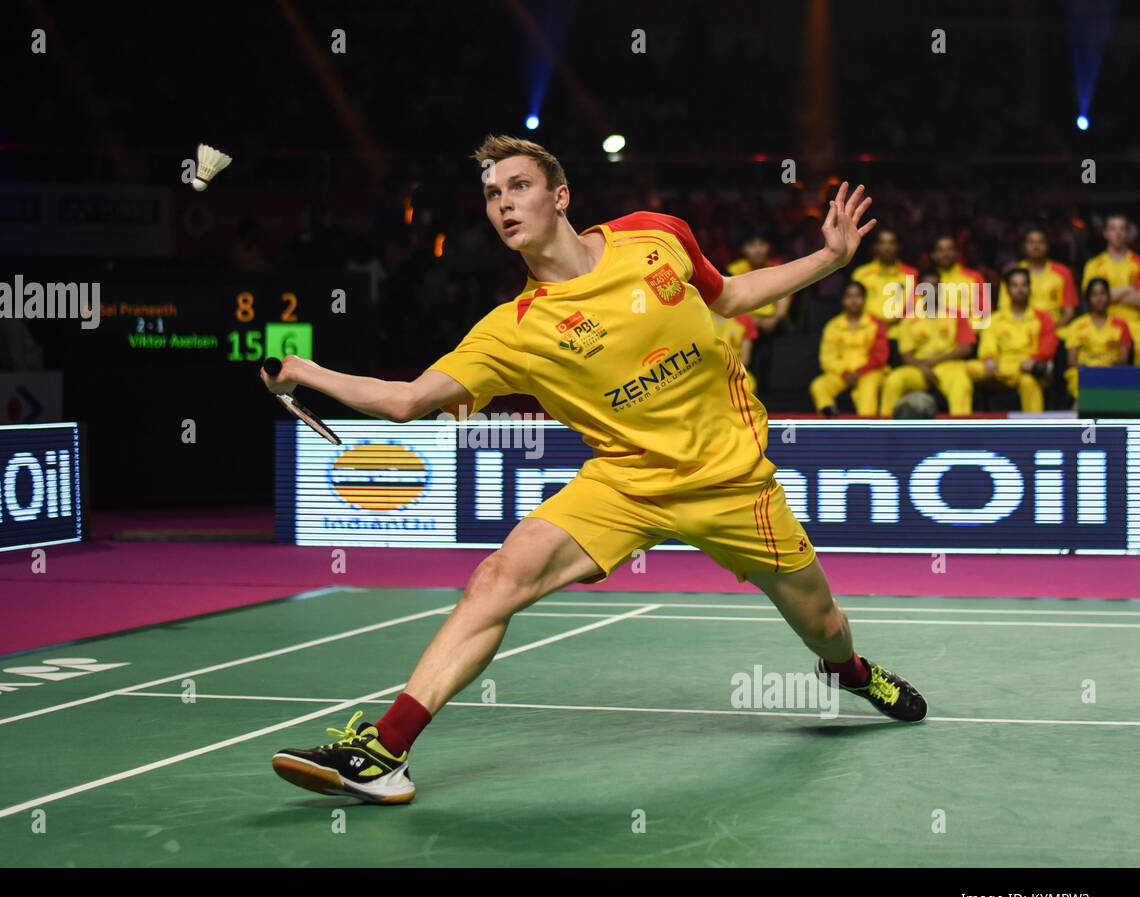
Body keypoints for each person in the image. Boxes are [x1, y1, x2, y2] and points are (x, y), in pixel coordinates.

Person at [261, 135, 926, 806]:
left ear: (560, 195)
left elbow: (729, 296)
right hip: (626, 481)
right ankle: (385, 749)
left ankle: (851, 671)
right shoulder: (513, 329)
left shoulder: (654, 234)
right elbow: (408, 401)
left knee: (823, 622)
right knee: (497, 578)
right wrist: (308, 372)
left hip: (733, 480)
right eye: (492, 195)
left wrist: (831, 256)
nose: (503, 204)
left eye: (517, 187)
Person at [879, 267, 977, 415]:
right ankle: (883, 432)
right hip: (919, 368)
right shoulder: (909, 320)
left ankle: (960, 435)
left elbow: (966, 347)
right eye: (926, 287)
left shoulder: (957, 315)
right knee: (893, 381)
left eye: (935, 287)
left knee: (962, 384)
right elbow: (906, 355)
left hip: (948, 367)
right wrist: (922, 367)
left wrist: (935, 361)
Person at [968, 268, 1059, 412]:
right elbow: (988, 344)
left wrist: (1035, 360)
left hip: (1029, 367)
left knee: (1028, 381)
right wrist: (989, 358)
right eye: (1015, 285)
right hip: (1000, 366)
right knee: (968, 369)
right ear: (1008, 289)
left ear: (1030, 288)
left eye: (1024, 285)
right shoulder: (996, 318)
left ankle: (1036, 431)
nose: (1020, 289)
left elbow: (1048, 346)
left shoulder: (1043, 317)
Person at [809, 281, 888, 415]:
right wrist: (844, 373)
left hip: (869, 372)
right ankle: (831, 422)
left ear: (864, 299)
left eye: (857, 296)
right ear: (843, 300)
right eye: (849, 296)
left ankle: (865, 430)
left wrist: (860, 372)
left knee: (868, 388)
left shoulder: (876, 323)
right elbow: (827, 358)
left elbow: (880, 356)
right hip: (842, 373)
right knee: (819, 385)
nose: (853, 301)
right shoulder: (833, 326)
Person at [1080, 214, 1140, 364]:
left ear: (1128, 233)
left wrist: (1109, 294)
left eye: (1122, 229)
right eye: (1113, 229)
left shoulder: (1138, 263)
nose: (1118, 233)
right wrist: (1128, 289)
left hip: (1135, 322)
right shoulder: (1094, 265)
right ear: (1105, 233)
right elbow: (1092, 299)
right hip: (1104, 322)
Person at [1062, 278, 1132, 404]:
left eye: (1103, 293)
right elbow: (1072, 360)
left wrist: (1102, 370)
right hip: (1083, 372)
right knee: (1076, 378)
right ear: (1088, 298)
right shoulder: (1077, 325)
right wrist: (1091, 371)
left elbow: (1123, 359)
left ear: (1109, 296)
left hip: (1111, 371)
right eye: (1094, 294)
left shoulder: (1121, 325)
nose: (1099, 298)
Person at [996, 228, 1077, 328]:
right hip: (1019, 333)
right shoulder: (1013, 273)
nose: (1036, 246)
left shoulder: (1063, 273)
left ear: (1047, 246)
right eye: (1031, 242)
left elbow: (1069, 312)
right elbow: (1003, 309)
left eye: (1040, 242)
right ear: (1024, 246)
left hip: (1055, 330)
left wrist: (1050, 330)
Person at [850, 228, 917, 339]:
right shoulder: (861, 274)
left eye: (891, 243)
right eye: (882, 243)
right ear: (875, 247)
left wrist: (893, 322)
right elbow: (852, 305)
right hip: (867, 334)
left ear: (898, 247)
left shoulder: (910, 274)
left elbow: (915, 307)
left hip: (900, 335)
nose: (886, 247)